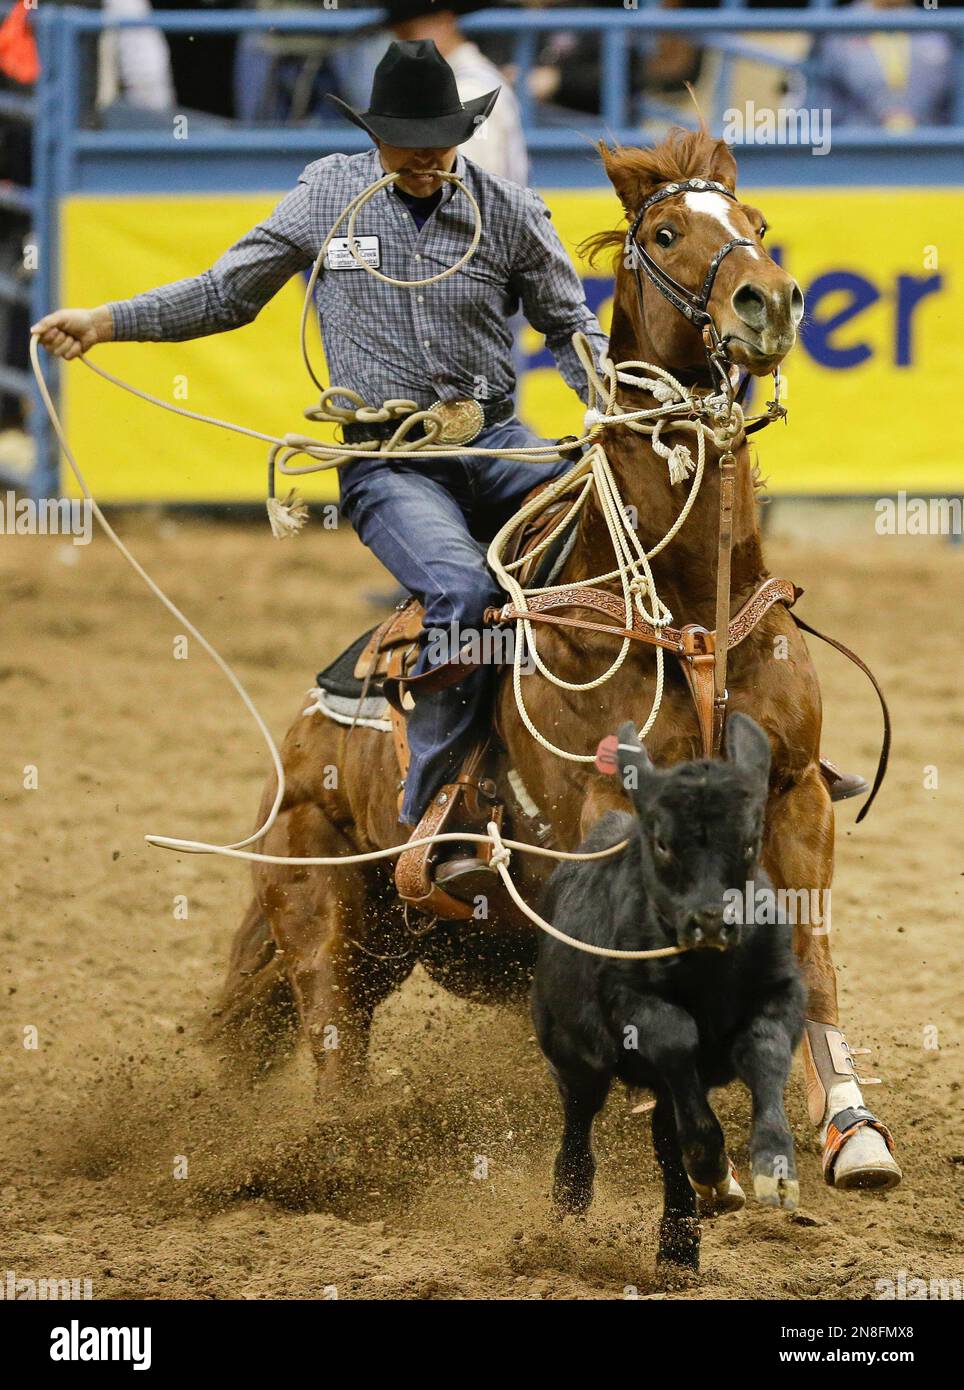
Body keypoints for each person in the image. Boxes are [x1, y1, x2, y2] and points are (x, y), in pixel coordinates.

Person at [33, 39, 609, 860]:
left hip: (497, 444)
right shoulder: (330, 195)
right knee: (461, 588)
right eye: (406, 139)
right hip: (387, 461)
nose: (423, 157)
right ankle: (433, 811)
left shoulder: (512, 211)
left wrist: (613, 404)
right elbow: (230, 291)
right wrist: (108, 322)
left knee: (624, 544)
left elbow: (569, 326)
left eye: (438, 139)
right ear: (374, 135)